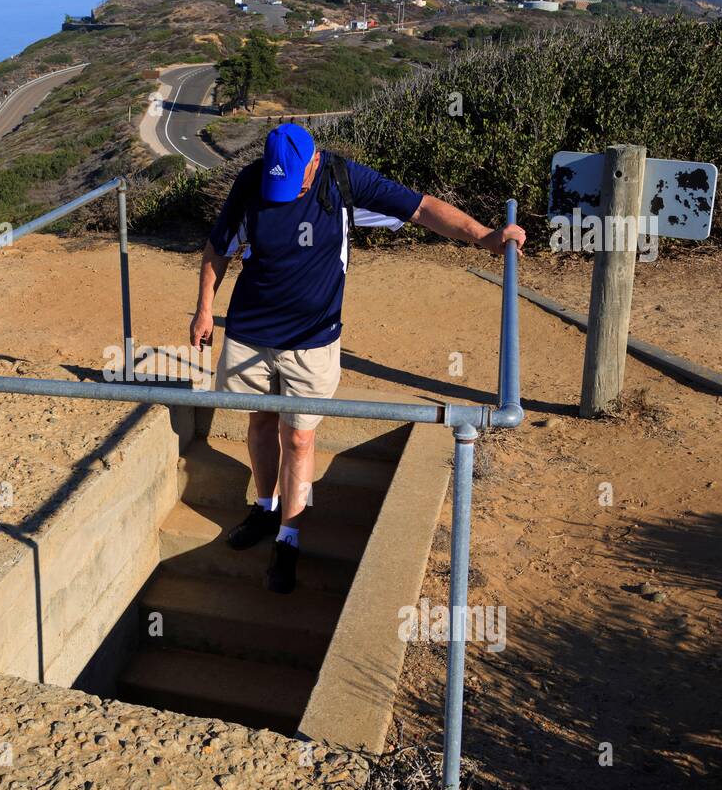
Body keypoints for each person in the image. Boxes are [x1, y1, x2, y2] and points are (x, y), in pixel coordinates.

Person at [189, 123, 525, 593]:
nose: (283, 192)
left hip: (312, 340)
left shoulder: (343, 180)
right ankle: (264, 508)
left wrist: (484, 236)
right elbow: (217, 247)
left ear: (312, 162)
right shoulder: (252, 181)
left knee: (300, 439)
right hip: (249, 333)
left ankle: (289, 537)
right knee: (260, 422)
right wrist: (205, 308)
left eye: (294, 182)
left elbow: (422, 208)